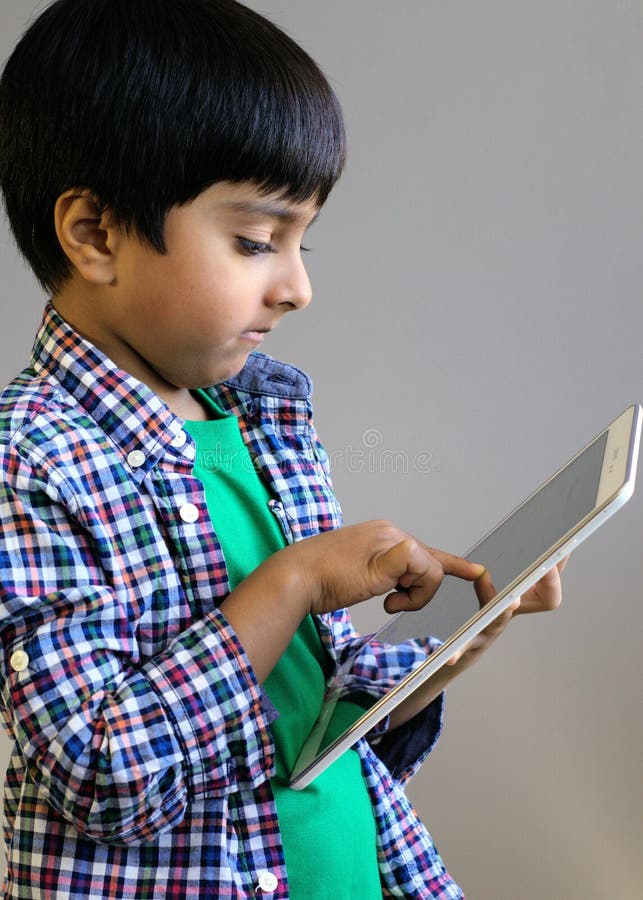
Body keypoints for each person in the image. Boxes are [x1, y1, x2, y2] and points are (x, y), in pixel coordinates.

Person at [0, 1, 565, 897]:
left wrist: (457, 643)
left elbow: (309, 707)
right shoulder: (29, 458)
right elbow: (98, 772)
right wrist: (293, 579)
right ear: (96, 234)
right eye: (257, 241)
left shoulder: (264, 423)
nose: (298, 286)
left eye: (303, 242)